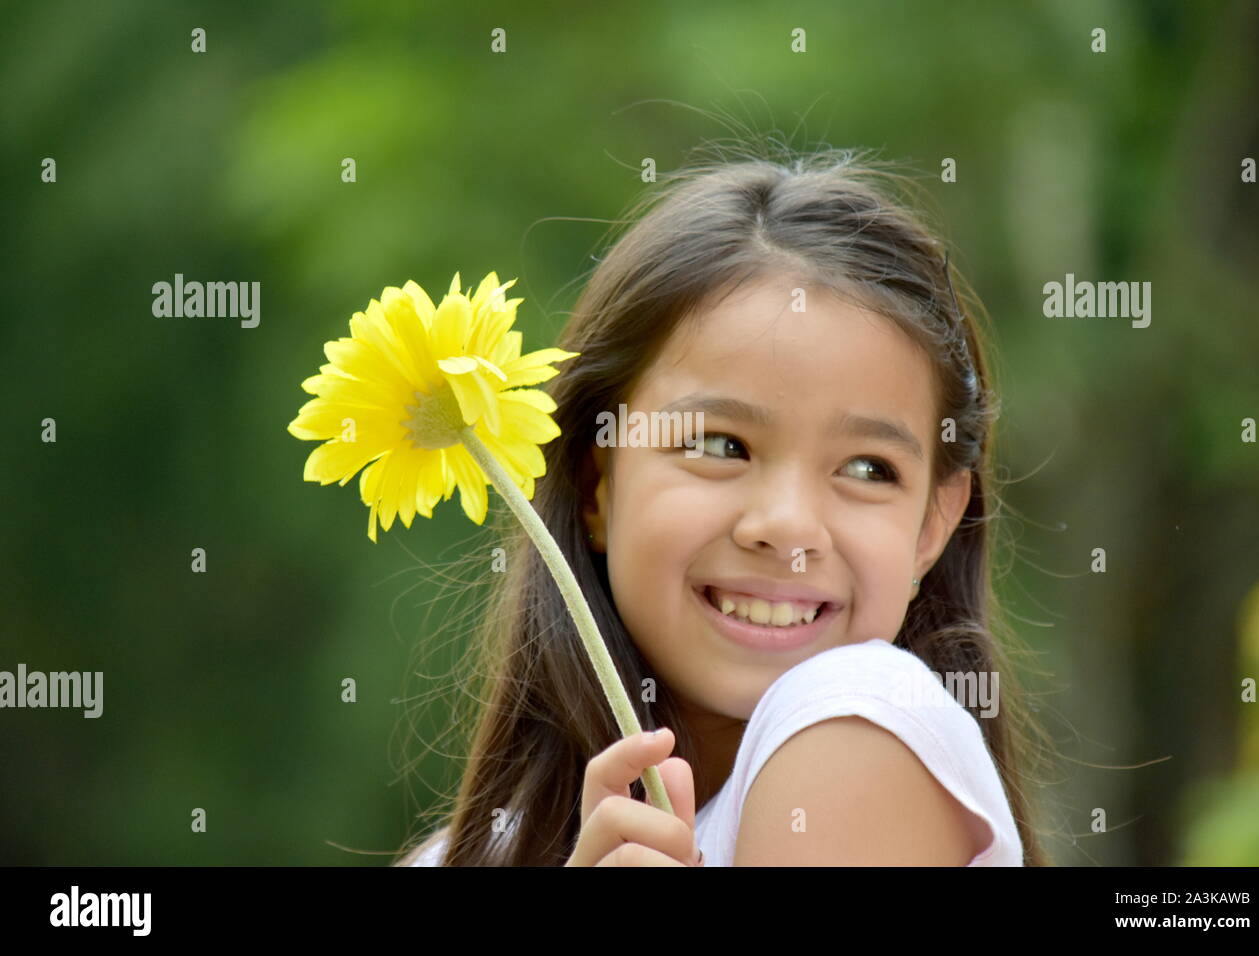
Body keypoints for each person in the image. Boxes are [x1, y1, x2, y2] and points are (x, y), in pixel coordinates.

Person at [397, 144, 1051, 866]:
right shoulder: (466, 853)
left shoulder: (860, 718)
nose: (788, 528)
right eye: (720, 445)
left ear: (933, 524)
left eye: (867, 468)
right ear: (594, 481)